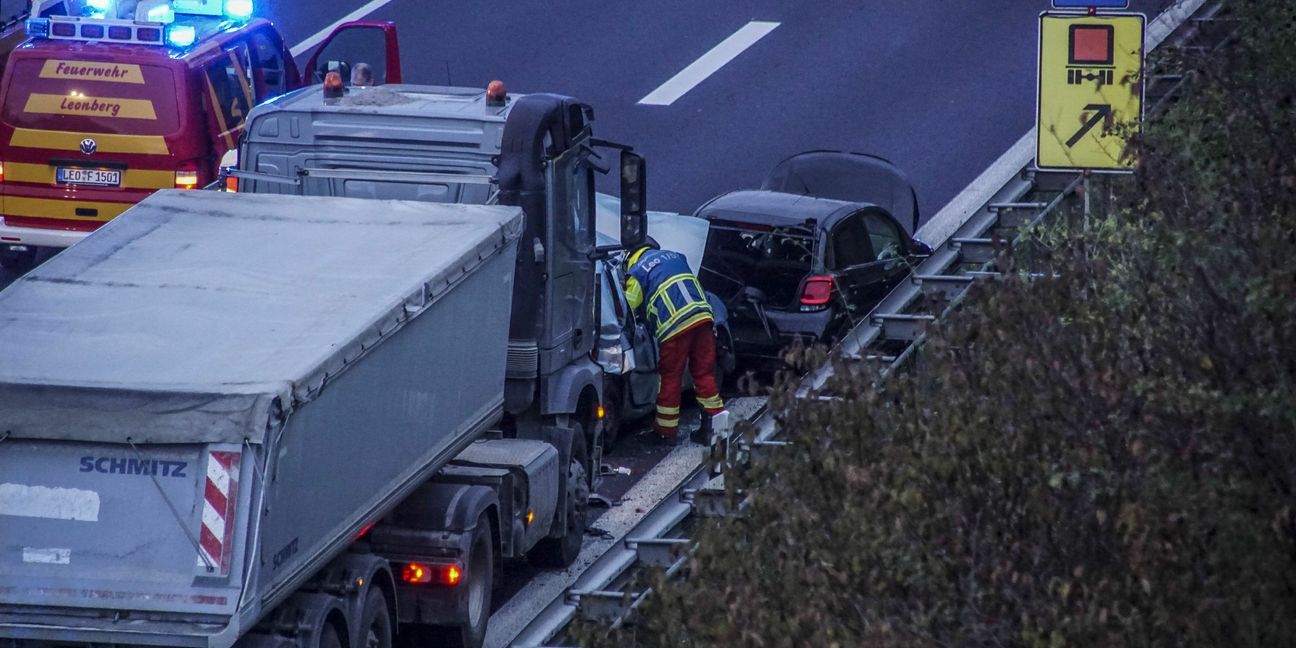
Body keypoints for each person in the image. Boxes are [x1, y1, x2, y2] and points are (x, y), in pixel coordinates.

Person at [624, 238, 726, 442]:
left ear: (630, 256)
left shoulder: (637, 271)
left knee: (670, 377)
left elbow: (628, 307)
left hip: (675, 327)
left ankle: (665, 431)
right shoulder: (677, 257)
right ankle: (715, 429)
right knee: (704, 374)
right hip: (704, 318)